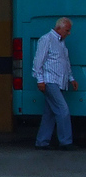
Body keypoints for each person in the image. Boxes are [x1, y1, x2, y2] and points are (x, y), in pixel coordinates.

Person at [32, 17, 77, 150]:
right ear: (59, 28)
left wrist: (71, 78)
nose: (68, 33)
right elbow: (38, 62)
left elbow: (65, 62)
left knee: (50, 113)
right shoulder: (47, 39)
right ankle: (66, 142)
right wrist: (40, 80)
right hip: (50, 80)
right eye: (67, 30)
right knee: (63, 110)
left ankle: (42, 141)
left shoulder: (61, 42)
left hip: (57, 81)